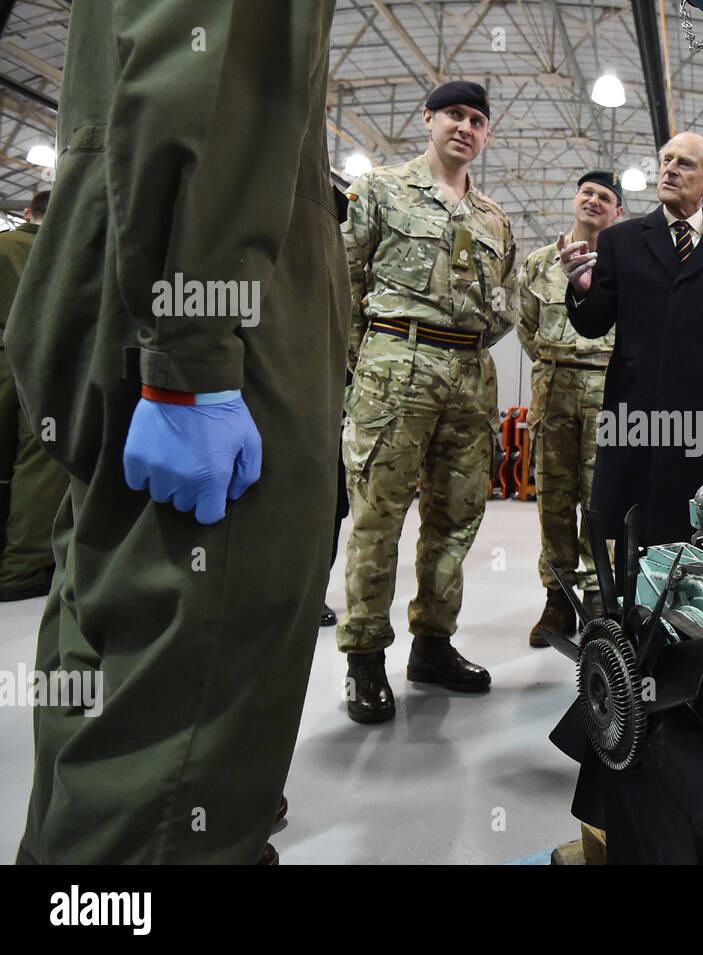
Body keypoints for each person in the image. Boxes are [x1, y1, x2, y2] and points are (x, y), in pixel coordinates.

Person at [6, 1, 346, 864]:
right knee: (180, 721)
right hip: (219, 325)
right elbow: (217, 69)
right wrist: (191, 363)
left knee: (115, 672)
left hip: (153, 292)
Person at [338, 81, 518, 723]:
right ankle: (364, 658)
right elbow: (344, 281)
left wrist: (463, 343)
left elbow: (505, 307)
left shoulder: (494, 218)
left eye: (477, 119)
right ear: (428, 119)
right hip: (395, 363)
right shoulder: (379, 191)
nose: (465, 127)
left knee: (457, 518)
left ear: (486, 134)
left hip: (470, 372)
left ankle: (433, 646)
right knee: (378, 516)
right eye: (454, 115)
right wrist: (370, 360)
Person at [559, 131, 703, 570]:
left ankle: (682, 627)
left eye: (684, 163)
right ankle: (627, 625)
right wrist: (579, 289)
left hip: (700, 418)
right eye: (666, 160)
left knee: (692, 529)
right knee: (629, 525)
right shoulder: (622, 241)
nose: (669, 169)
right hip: (633, 411)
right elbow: (595, 324)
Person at [518, 171, 622, 647]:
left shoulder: (623, 265)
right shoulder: (541, 263)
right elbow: (525, 325)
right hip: (554, 384)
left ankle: (602, 596)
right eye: (588, 193)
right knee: (554, 498)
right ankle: (558, 600)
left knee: (602, 498)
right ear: (575, 200)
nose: (594, 201)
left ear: (618, 212)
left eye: (605, 198)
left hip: (606, 385)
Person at [0, 190, 67, 601]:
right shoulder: (70, 251)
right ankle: (21, 571)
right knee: (40, 472)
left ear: (27, 213)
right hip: (50, 368)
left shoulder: (5, 244)